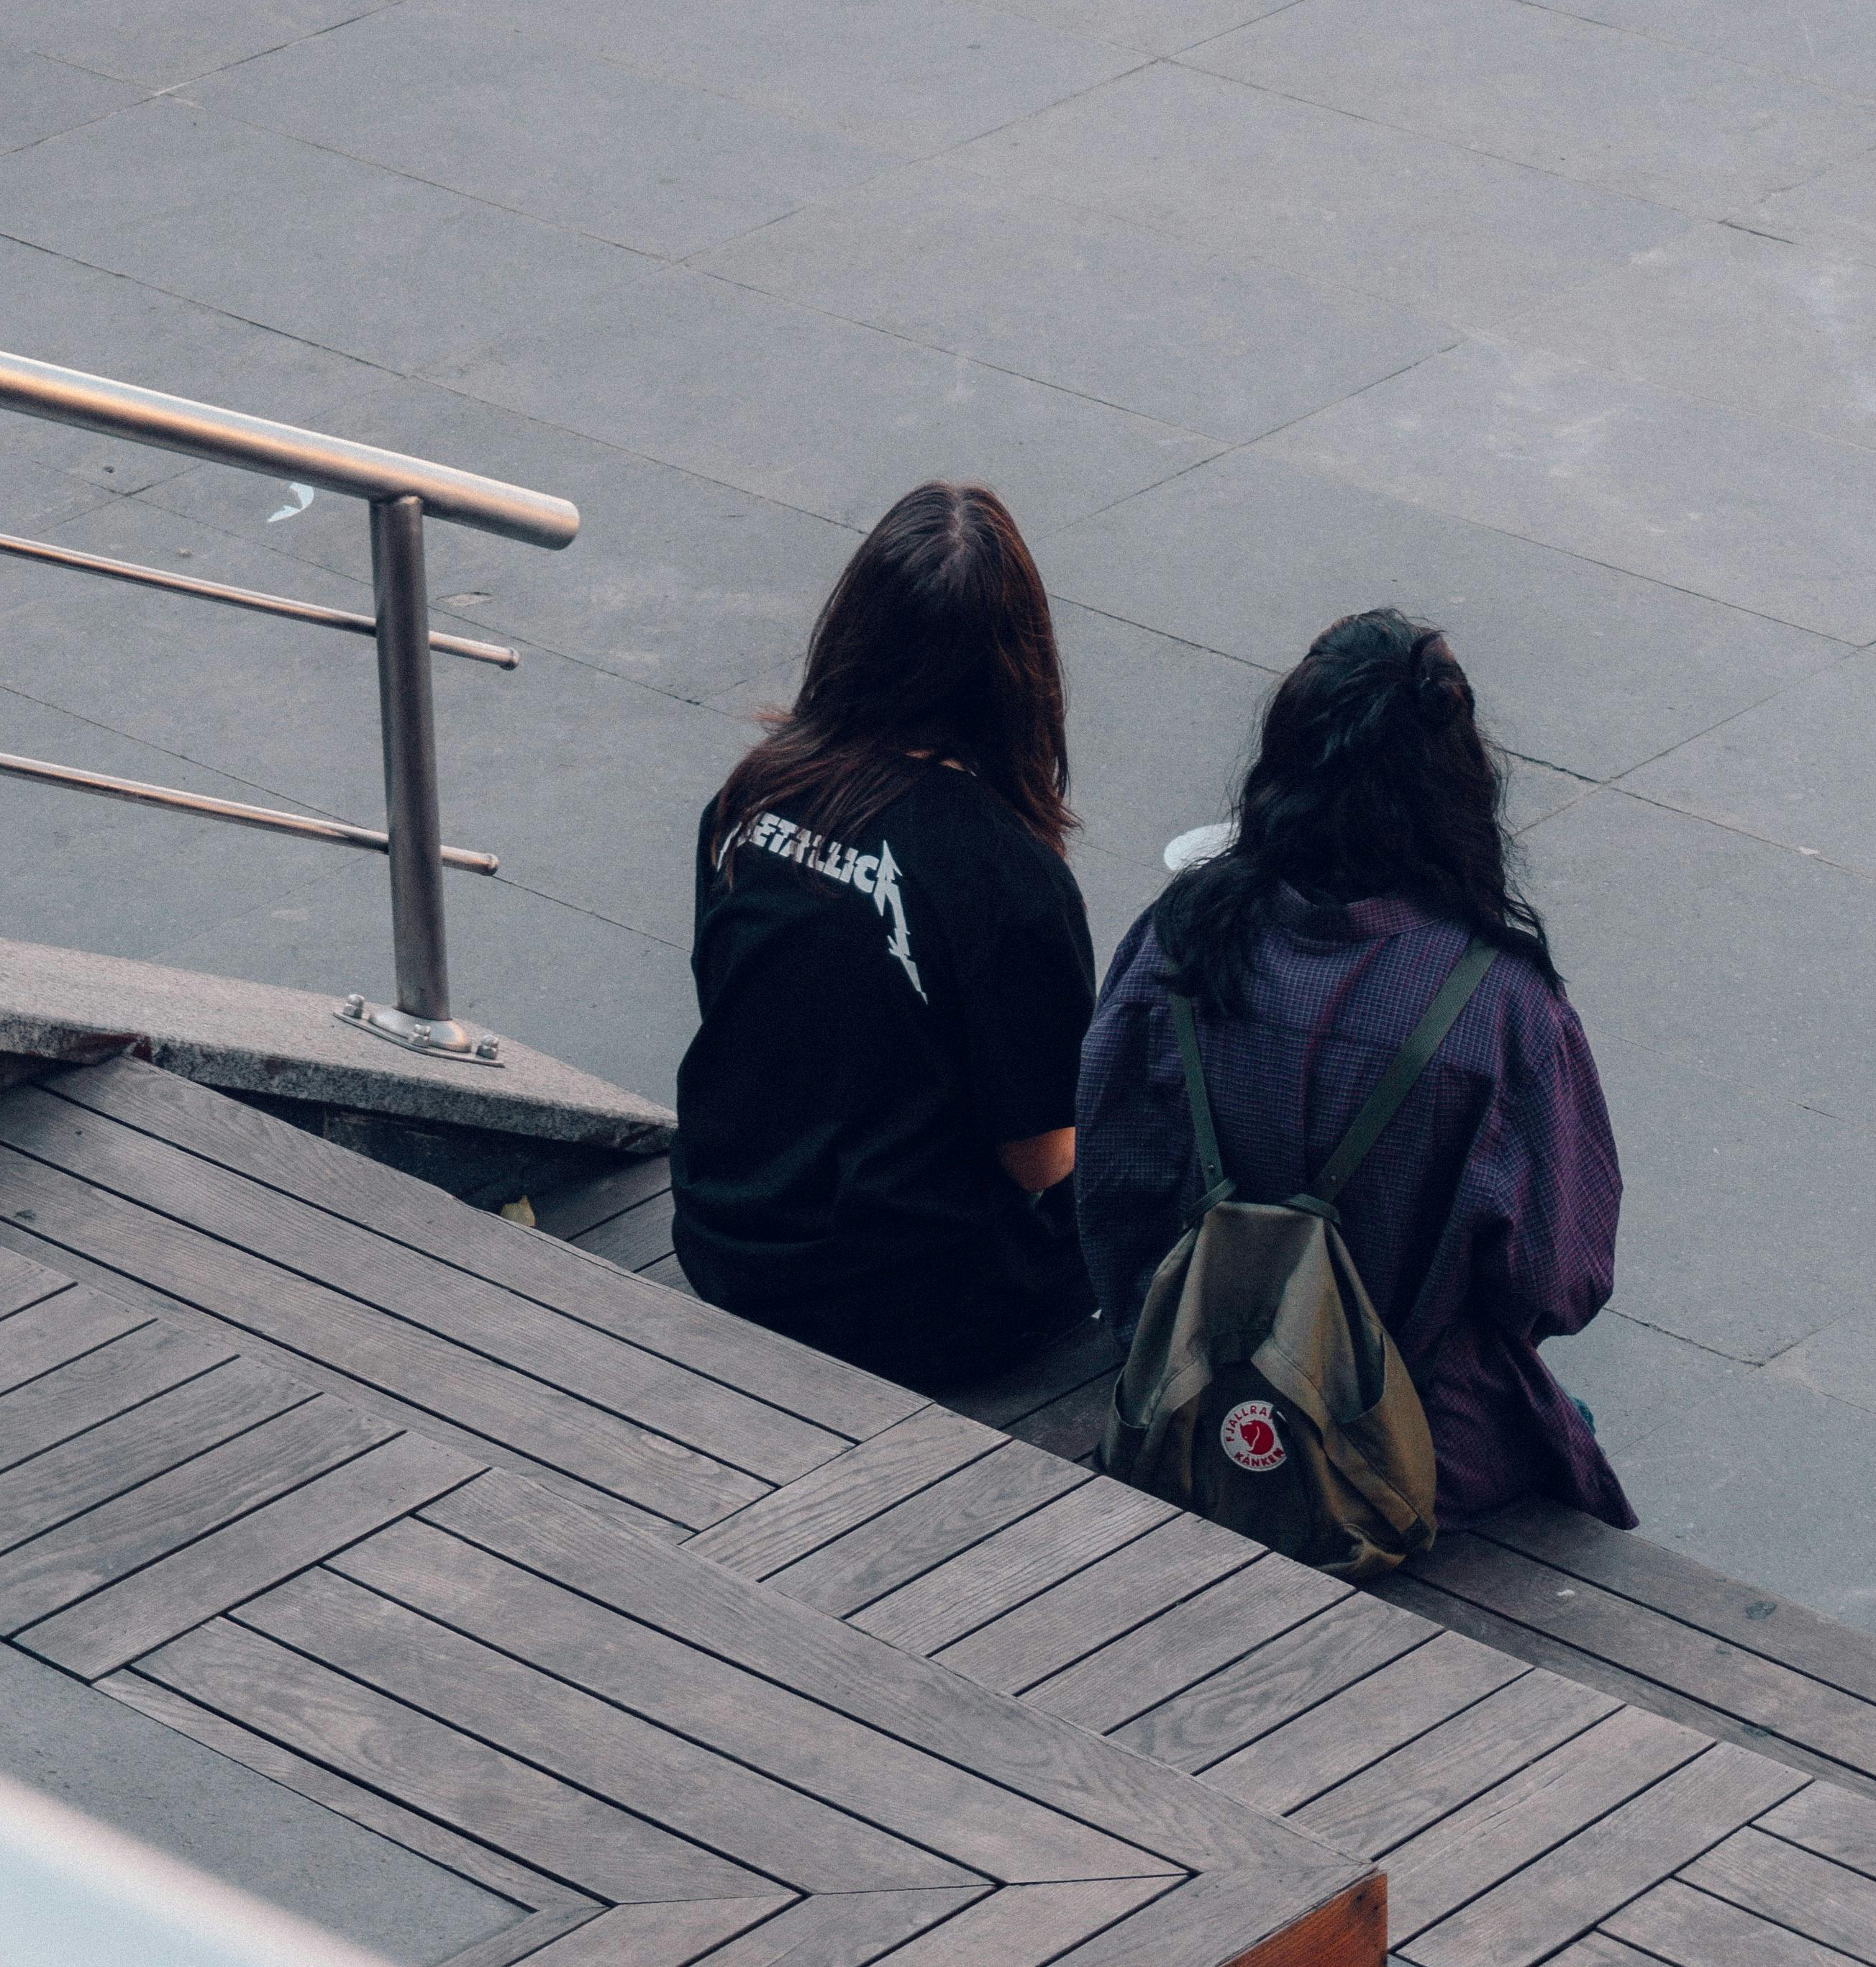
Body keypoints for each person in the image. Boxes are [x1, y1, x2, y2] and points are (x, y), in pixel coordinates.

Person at [1077, 610, 1634, 1532]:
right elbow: (1560, 1282)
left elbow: (1108, 1188)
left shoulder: (1180, 938)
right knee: (1562, 1428)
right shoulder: (1498, 1005)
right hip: (1412, 1447)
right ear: (1459, 784)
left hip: (1181, 1397)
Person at [670, 481, 1094, 1393]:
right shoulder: (1007, 874)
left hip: (728, 1239)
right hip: (902, 1308)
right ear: (1019, 671)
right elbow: (1041, 1157)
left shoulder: (751, 795)